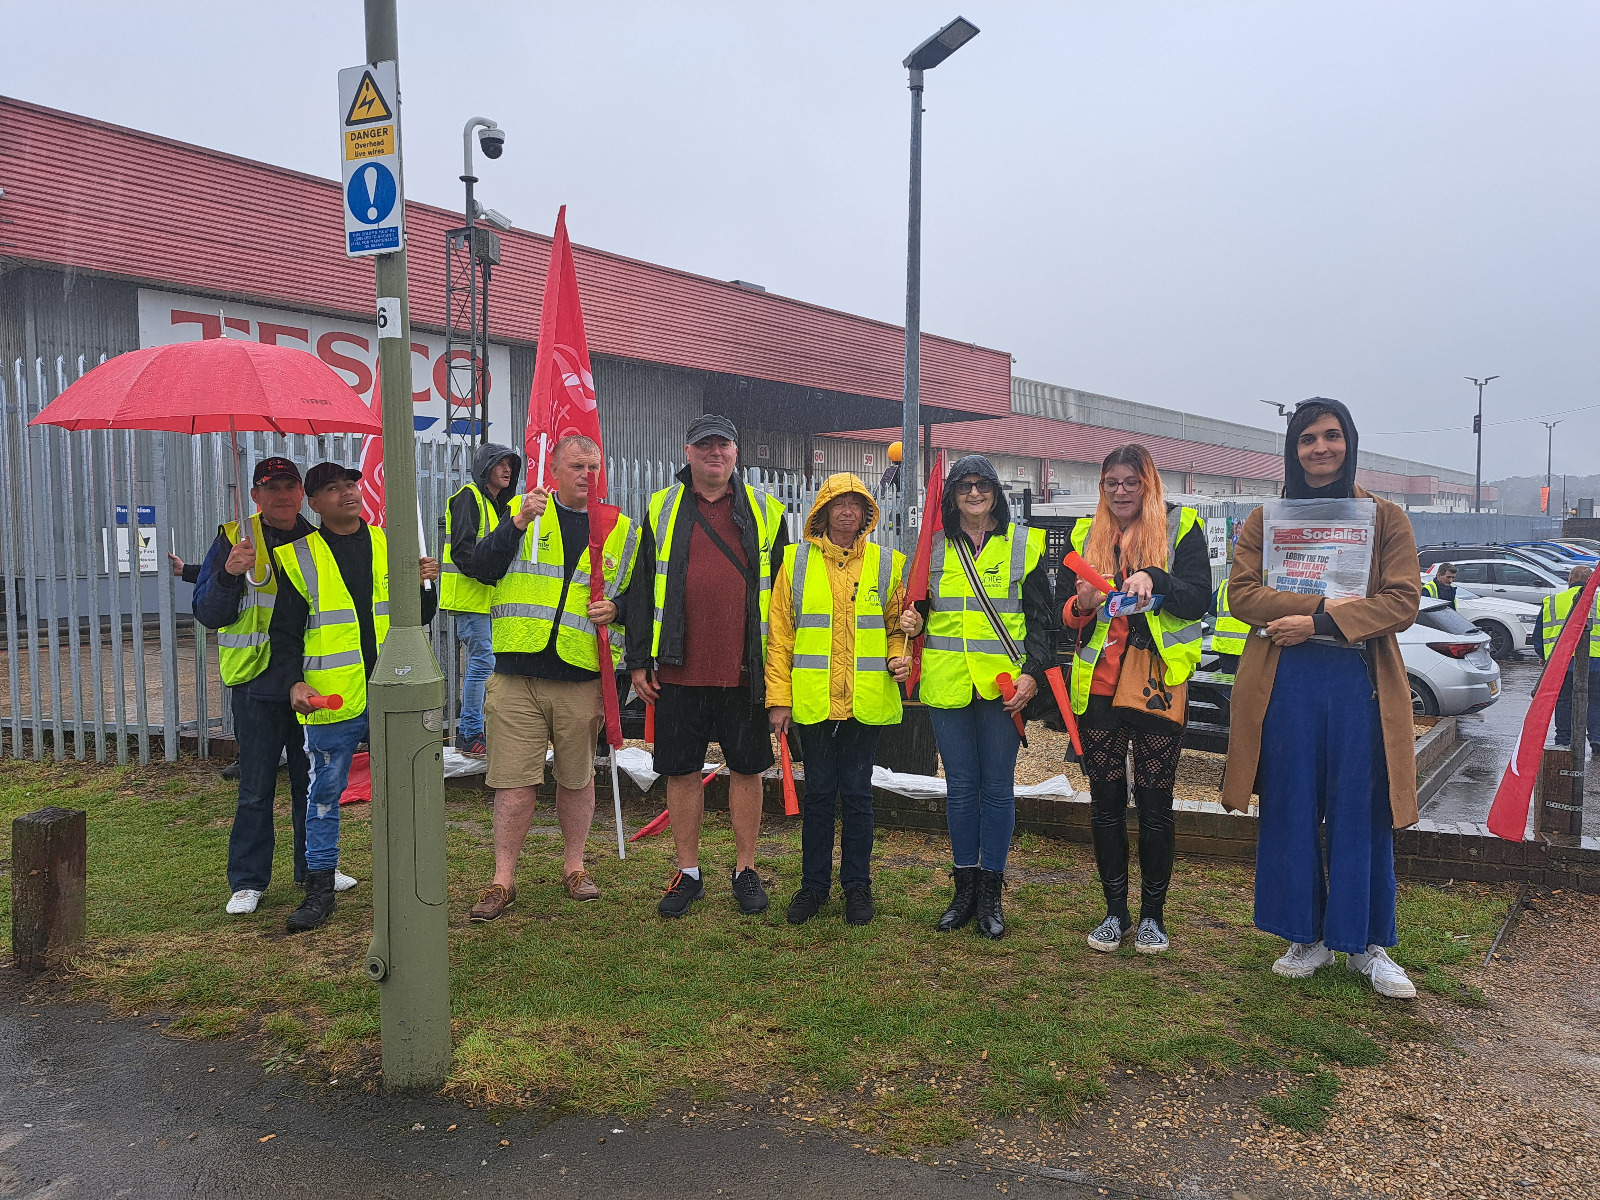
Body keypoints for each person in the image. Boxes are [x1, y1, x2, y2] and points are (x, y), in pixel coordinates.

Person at [1224, 398, 1422, 999]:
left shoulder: (1386, 518)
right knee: (1290, 804)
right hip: (1286, 684)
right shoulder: (1266, 518)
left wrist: (1321, 624)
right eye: (1308, 438)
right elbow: (1242, 597)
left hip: (1358, 683)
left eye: (1331, 436)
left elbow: (1402, 601)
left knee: (1361, 812)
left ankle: (1365, 944)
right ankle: (1302, 936)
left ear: (1349, 442)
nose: (1320, 448)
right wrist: (1314, 609)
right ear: (1294, 448)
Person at [465, 436, 640, 920]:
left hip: (580, 674)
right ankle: (502, 880)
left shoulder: (620, 527)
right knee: (514, 783)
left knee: (577, 778)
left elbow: (638, 595)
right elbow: (481, 567)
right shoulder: (520, 510)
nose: (587, 474)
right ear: (555, 470)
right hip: (517, 673)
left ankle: (575, 867)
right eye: (577, 466)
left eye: (594, 466)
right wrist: (517, 523)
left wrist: (618, 608)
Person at [625, 414, 790, 919]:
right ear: (688, 451)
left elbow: (783, 599)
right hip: (677, 670)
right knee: (680, 772)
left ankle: (745, 869)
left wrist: (779, 674)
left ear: (737, 453)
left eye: (723, 445)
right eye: (704, 446)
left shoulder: (767, 511)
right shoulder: (661, 508)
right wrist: (638, 662)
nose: (714, 454)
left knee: (746, 770)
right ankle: (689, 872)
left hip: (745, 671)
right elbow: (640, 587)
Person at [271, 461, 440, 933]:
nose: (347, 492)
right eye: (333, 488)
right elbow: (284, 634)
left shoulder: (392, 544)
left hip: (394, 689)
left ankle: (407, 879)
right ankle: (319, 889)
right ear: (314, 502)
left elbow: (419, 616)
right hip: (333, 698)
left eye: (351, 484)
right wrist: (294, 683)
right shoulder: (299, 556)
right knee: (324, 793)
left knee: (404, 790)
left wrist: (426, 582)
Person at [1059, 445, 1212, 955]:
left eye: (1131, 482)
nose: (1121, 492)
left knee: (1154, 803)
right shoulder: (1086, 534)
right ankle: (1114, 911)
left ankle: (1152, 915)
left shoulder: (1180, 525)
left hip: (1155, 681)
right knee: (1104, 804)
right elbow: (1069, 617)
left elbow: (1199, 598)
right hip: (1099, 687)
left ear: (1149, 484)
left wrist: (1156, 578)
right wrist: (1079, 605)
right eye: (1112, 483)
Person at [898, 455, 1051, 939]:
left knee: (998, 788)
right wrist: (910, 622)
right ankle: (963, 887)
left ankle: (991, 892)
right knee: (962, 788)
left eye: (982, 484)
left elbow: (1041, 620)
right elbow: (916, 610)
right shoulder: (933, 549)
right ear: (952, 496)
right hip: (948, 683)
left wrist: (1032, 675)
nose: (973, 492)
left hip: (1003, 687)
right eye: (964, 485)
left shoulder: (1023, 545)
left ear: (995, 492)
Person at [765, 474, 909, 927]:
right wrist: (778, 699)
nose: (847, 511)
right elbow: (781, 636)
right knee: (820, 796)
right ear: (822, 511)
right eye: (838, 503)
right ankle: (813, 887)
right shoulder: (796, 562)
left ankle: (857, 887)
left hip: (864, 701)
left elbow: (897, 628)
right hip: (812, 702)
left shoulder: (889, 564)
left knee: (859, 797)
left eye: (856, 504)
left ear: (867, 514)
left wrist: (899, 652)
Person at [192, 457, 318, 915]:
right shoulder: (233, 538)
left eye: (290, 486)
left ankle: (314, 868)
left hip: (310, 681)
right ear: (255, 495)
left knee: (314, 785)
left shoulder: (316, 539)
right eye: (271, 487)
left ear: (302, 492)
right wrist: (228, 571)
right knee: (255, 789)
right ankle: (248, 882)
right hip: (257, 683)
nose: (282, 495)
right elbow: (208, 612)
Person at [441, 442, 521, 757]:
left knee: (488, 664)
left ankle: (479, 732)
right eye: (500, 464)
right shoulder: (469, 498)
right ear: (485, 467)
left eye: (510, 465)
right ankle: (470, 733)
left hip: (486, 601)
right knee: (483, 662)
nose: (507, 470)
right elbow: (462, 551)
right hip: (470, 599)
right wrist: (488, 575)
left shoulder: (496, 505)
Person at [1536, 564, 1599, 754]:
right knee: (1596, 701)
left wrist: (1543, 656)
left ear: (1569, 580)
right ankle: (1596, 739)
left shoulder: (1552, 601)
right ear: (1592, 582)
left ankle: (1563, 741)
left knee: (1564, 701)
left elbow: (1539, 634)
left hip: (1561, 662)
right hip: (1596, 662)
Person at [1203, 565, 1251, 686]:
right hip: (1251, 646)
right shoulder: (1261, 586)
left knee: (1229, 686)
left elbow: (1212, 609)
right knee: (1250, 686)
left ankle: (1227, 705)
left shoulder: (1225, 585)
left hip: (1226, 647)